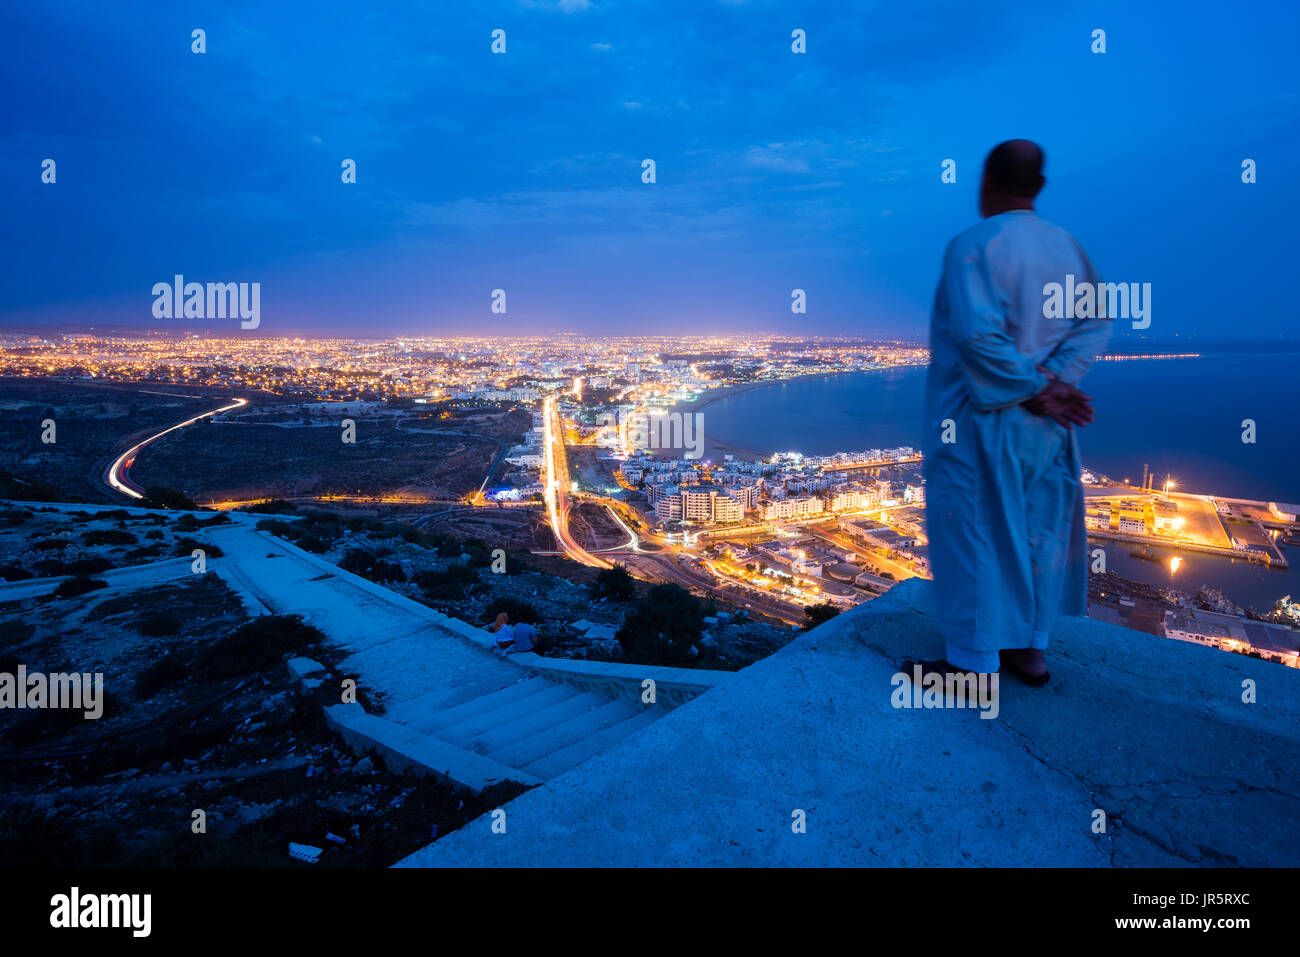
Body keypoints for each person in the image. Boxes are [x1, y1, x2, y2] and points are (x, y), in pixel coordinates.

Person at [914, 139, 1113, 686]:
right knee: (1039, 532)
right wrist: (1057, 381)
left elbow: (978, 335)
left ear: (984, 183)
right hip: (1048, 427)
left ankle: (970, 666)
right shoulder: (1066, 246)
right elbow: (1097, 323)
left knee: (972, 532)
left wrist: (1031, 386)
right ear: (1039, 186)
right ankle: (1032, 652)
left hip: (980, 420)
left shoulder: (973, 245)